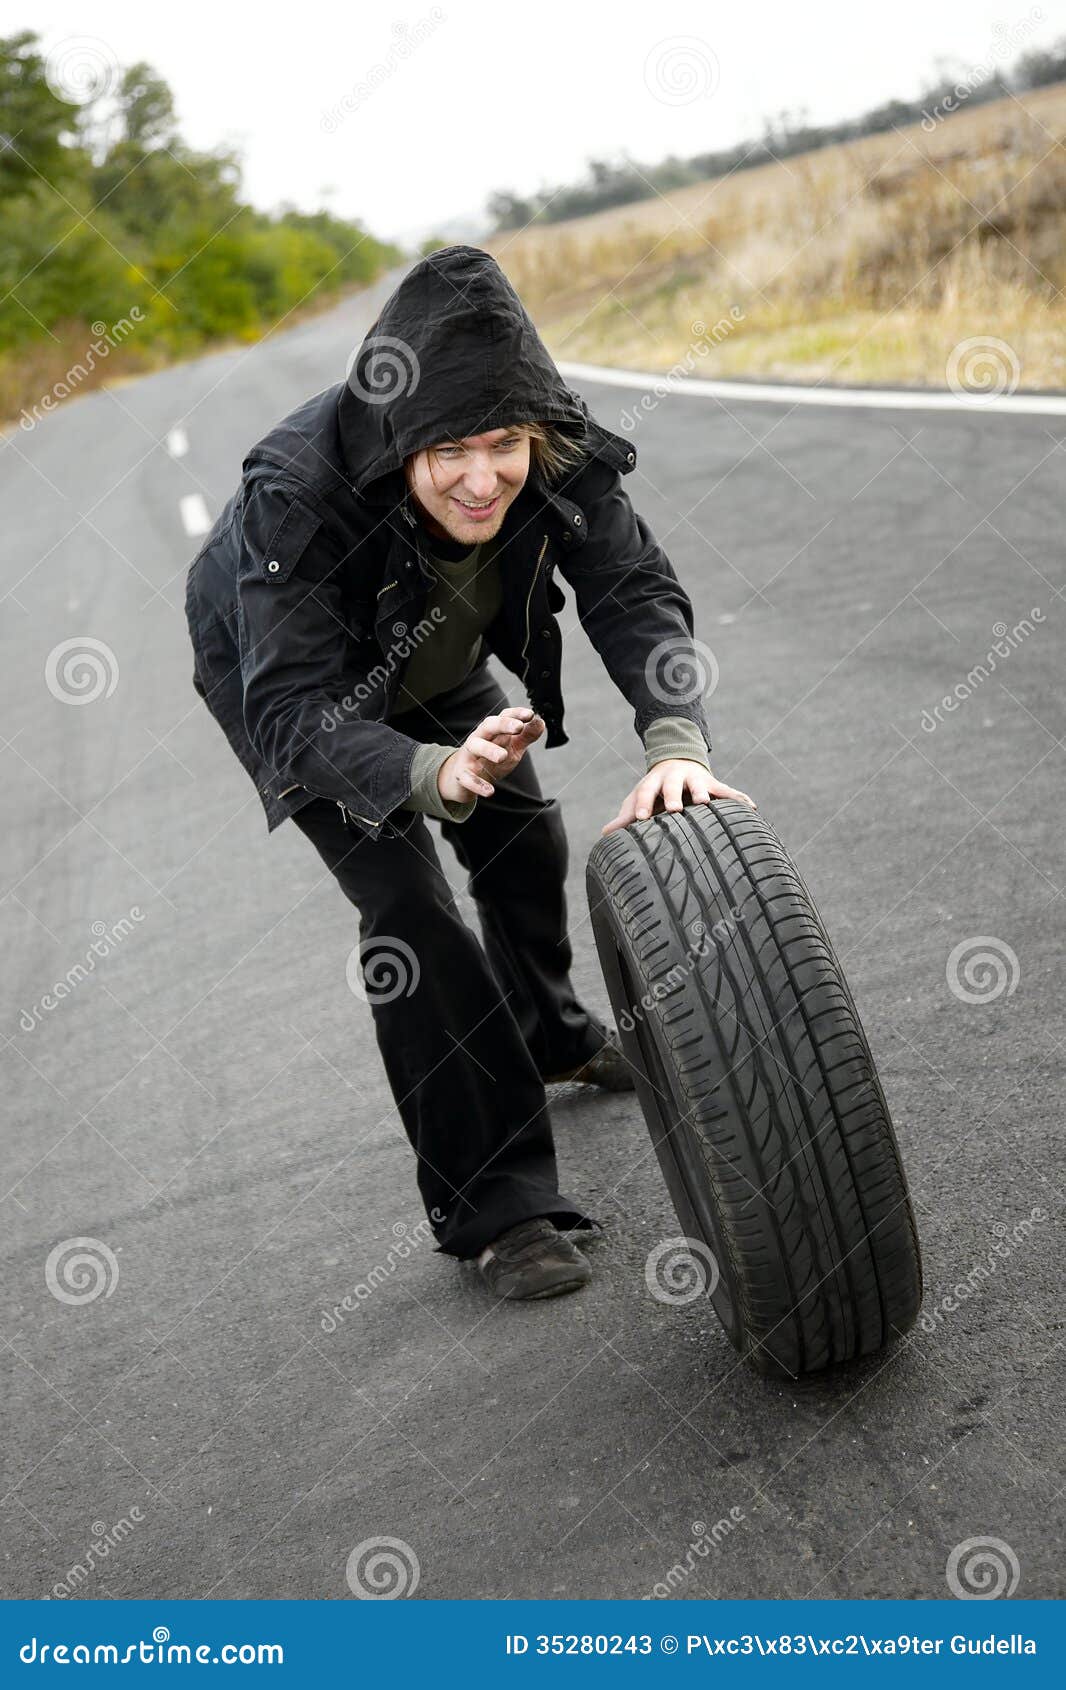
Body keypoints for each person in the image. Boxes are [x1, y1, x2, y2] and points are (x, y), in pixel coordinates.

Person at [184, 245, 756, 1303]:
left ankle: (550, 1032)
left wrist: (676, 740)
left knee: (520, 830)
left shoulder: (555, 446)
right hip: (296, 682)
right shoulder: (295, 495)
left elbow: (631, 588)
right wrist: (428, 769)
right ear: (403, 436)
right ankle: (497, 1205)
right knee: (410, 910)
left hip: (433, 649)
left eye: (503, 445)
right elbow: (293, 708)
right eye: (450, 449)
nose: (483, 476)